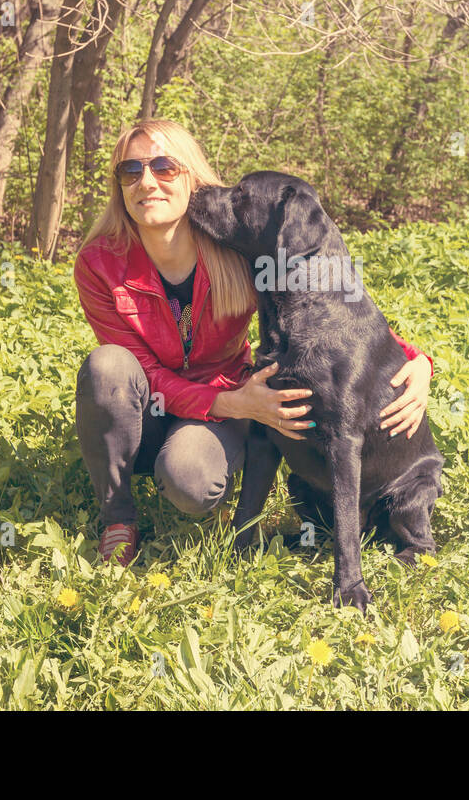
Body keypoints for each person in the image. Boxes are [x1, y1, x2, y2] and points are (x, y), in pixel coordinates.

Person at [72, 119, 434, 565]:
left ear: (191, 176)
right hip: (154, 406)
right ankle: (119, 519)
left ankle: (194, 476)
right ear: (120, 186)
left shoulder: (234, 244)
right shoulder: (99, 263)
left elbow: (332, 306)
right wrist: (235, 405)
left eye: (163, 167)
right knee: (107, 365)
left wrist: (418, 362)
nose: (146, 181)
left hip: (221, 402)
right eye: (130, 171)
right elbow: (143, 372)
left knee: (189, 480)